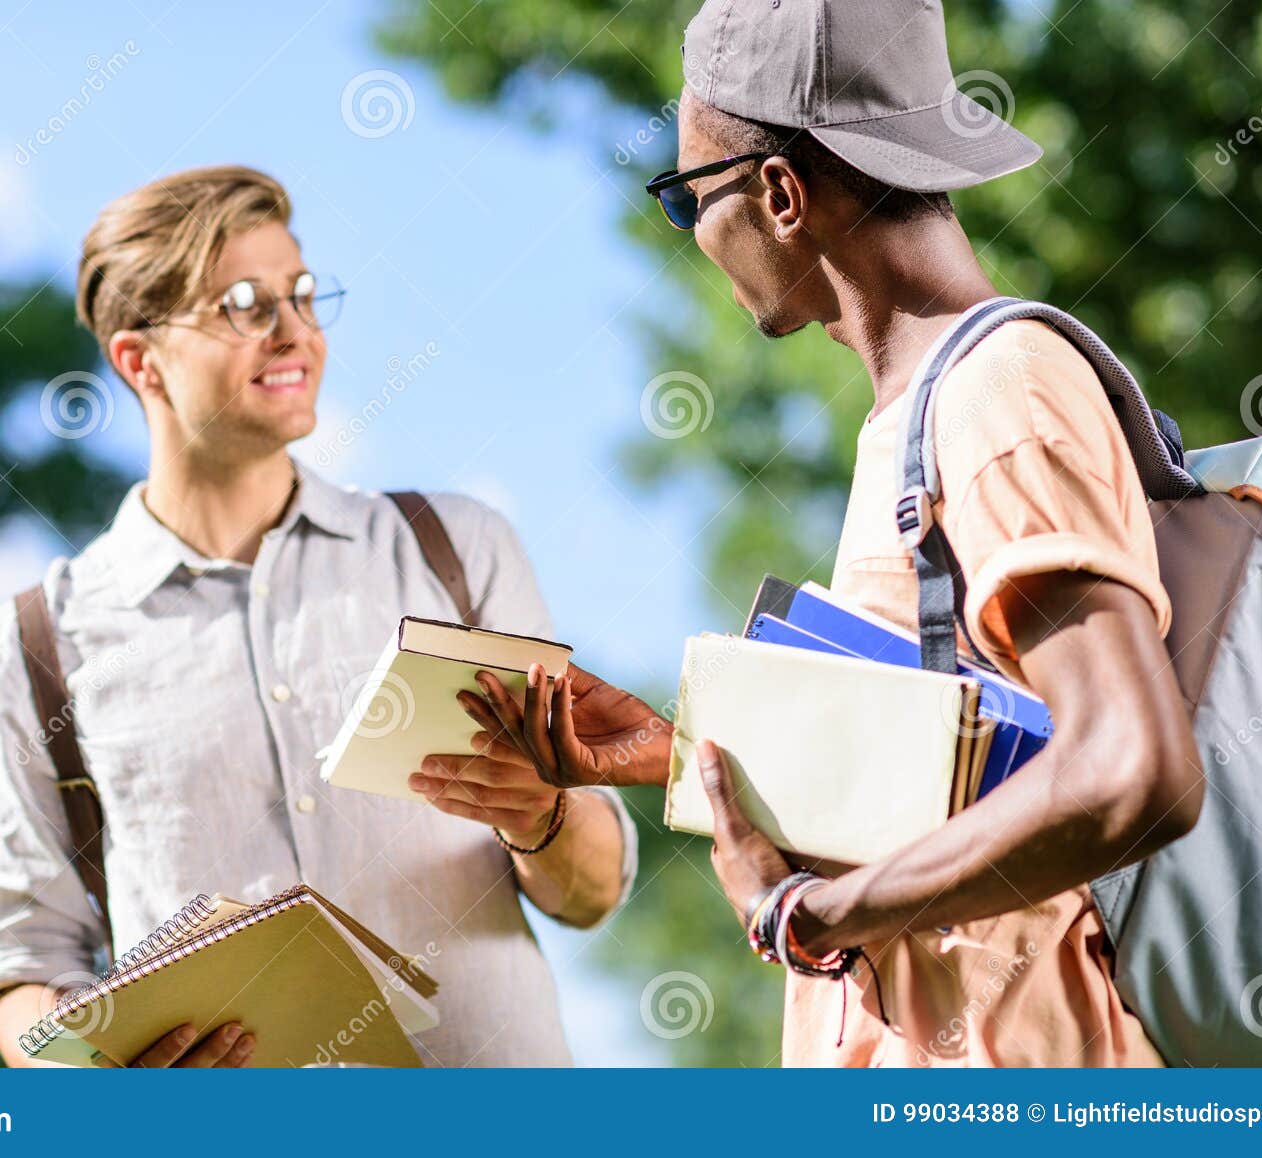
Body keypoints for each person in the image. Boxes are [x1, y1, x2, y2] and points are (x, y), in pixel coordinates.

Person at [469, 0, 1202, 1066]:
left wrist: (807, 914)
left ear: (777, 192)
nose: (692, 238)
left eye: (686, 200)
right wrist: (680, 752)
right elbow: (980, 759)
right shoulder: (914, 416)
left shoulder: (997, 391)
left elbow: (1133, 768)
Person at [0, 164, 635, 1068]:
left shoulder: (456, 553)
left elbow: (592, 894)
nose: (295, 332)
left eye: (304, 296)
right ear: (137, 359)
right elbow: (25, 966)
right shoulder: (30, 652)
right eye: (243, 304)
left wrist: (541, 815)